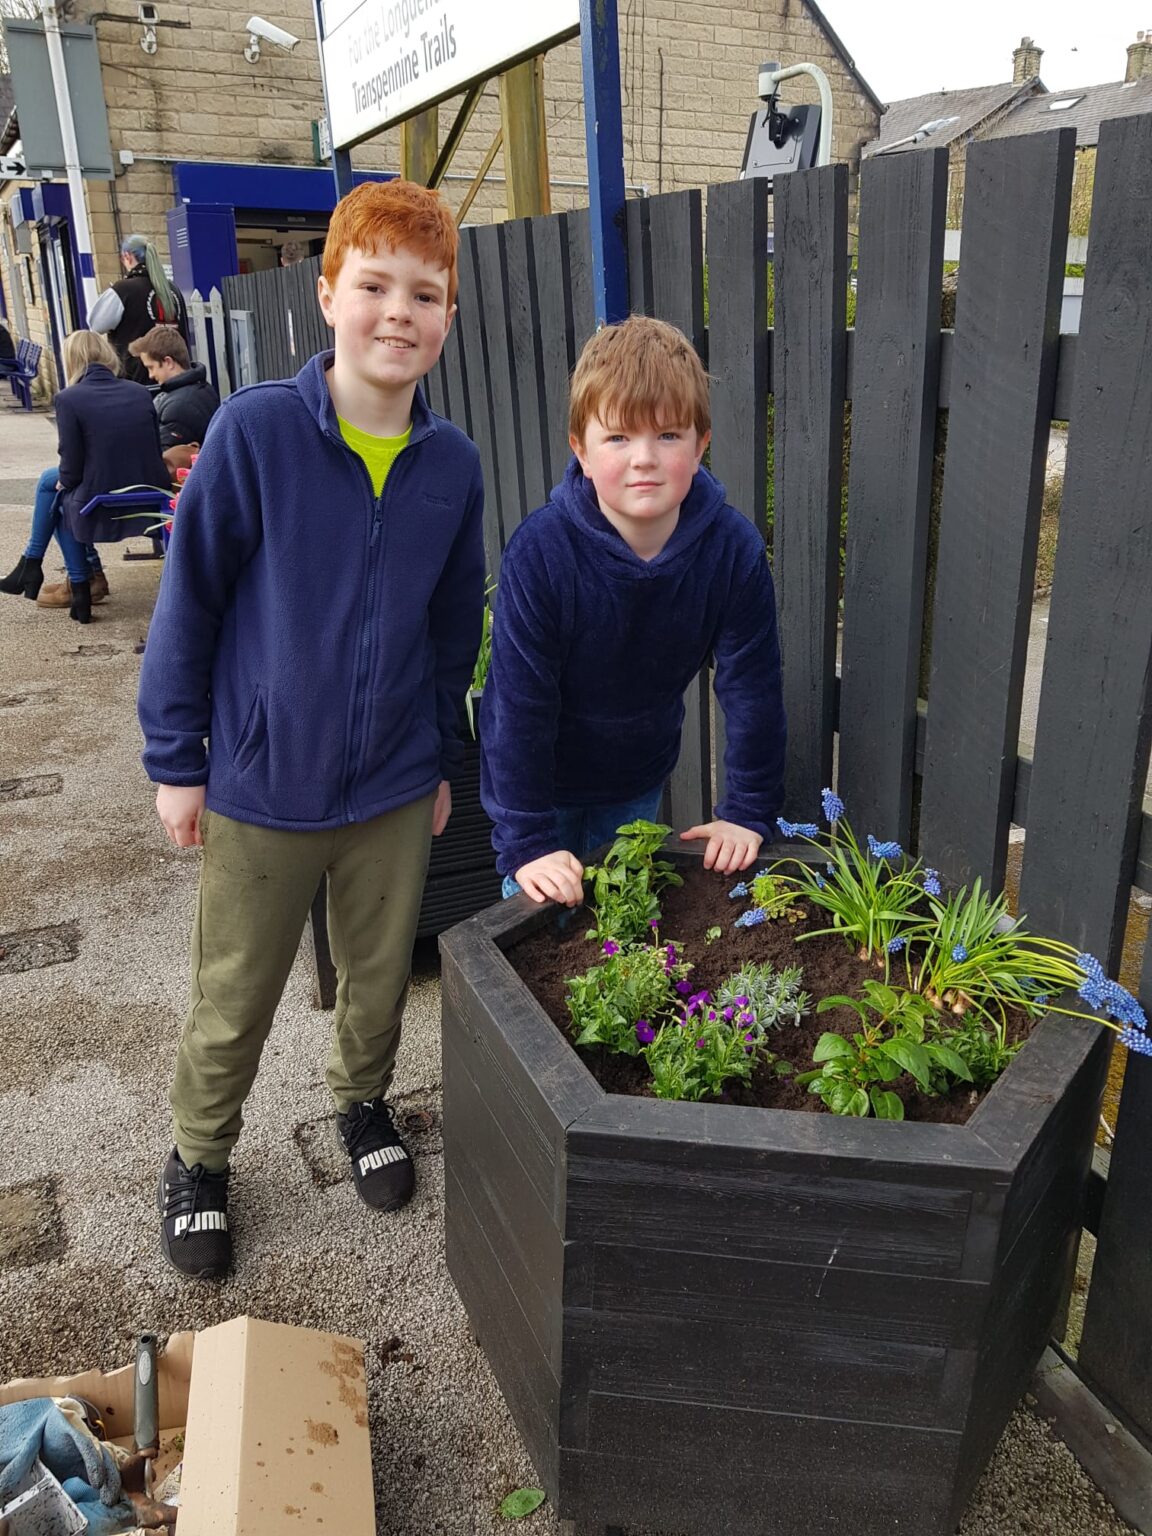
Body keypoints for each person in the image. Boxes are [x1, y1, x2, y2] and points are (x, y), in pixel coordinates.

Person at [137, 179, 485, 1281]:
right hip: (259, 785)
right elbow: (188, 605)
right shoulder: (253, 436)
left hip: (391, 789)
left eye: (423, 294)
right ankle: (199, 1158)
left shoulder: (453, 469)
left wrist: (436, 758)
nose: (398, 312)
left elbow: (448, 629)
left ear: (448, 319)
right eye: (374, 285)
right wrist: (176, 761)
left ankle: (363, 1104)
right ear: (327, 294)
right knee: (235, 992)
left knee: (379, 980)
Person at [480, 315, 786, 906]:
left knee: (620, 920)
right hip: (540, 789)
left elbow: (753, 689)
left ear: (701, 446)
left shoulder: (732, 551)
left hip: (638, 775)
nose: (644, 457)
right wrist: (526, 843)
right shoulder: (541, 554)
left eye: (668, 436)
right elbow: (515, 707)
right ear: (581, 451)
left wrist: (747, 811)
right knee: (542, 930)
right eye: (618, 437)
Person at [0, 330, 168, 623]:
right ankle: (33, 566)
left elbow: (72, 467)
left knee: (57, 498)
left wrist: (65, 481)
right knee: (50, 485)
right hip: (148, 494)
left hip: (102, 501)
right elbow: (154, 447)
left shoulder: (69, 399)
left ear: (71, 360)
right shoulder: (139, 391)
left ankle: (72, 586)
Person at [88, 235, 188, 385]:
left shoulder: (123, 290)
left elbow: (96, 324)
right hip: (176, 377)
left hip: (137, 380)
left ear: (127, 257)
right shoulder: (173, 290)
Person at [127, 324, 220, 463]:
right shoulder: (202, 388)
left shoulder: (179, 406)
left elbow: (163, 459)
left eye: (151, 367)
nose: (150, 375)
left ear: (168, 362)